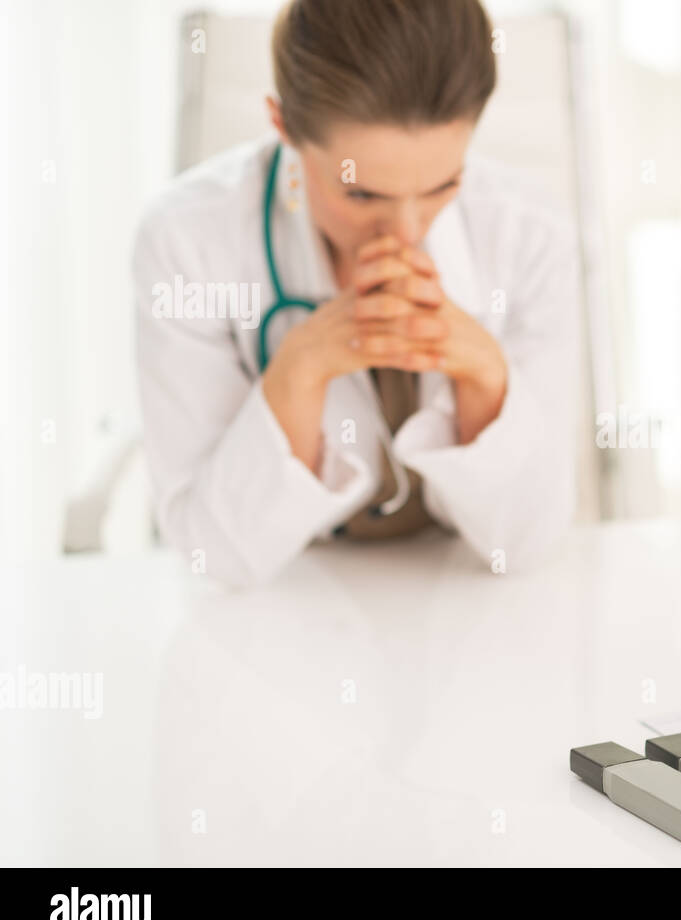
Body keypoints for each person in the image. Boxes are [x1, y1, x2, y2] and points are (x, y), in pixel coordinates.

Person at [132, 0, 579, 586]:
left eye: (443, 184)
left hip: (463, 609)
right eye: (363, 195)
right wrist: (301, 368)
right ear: (283, 127)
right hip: (280, 616)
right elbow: (212, 558)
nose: (407, 233)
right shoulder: (188, 242)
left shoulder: (531, 234)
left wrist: (484, 377)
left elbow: (524, 544)